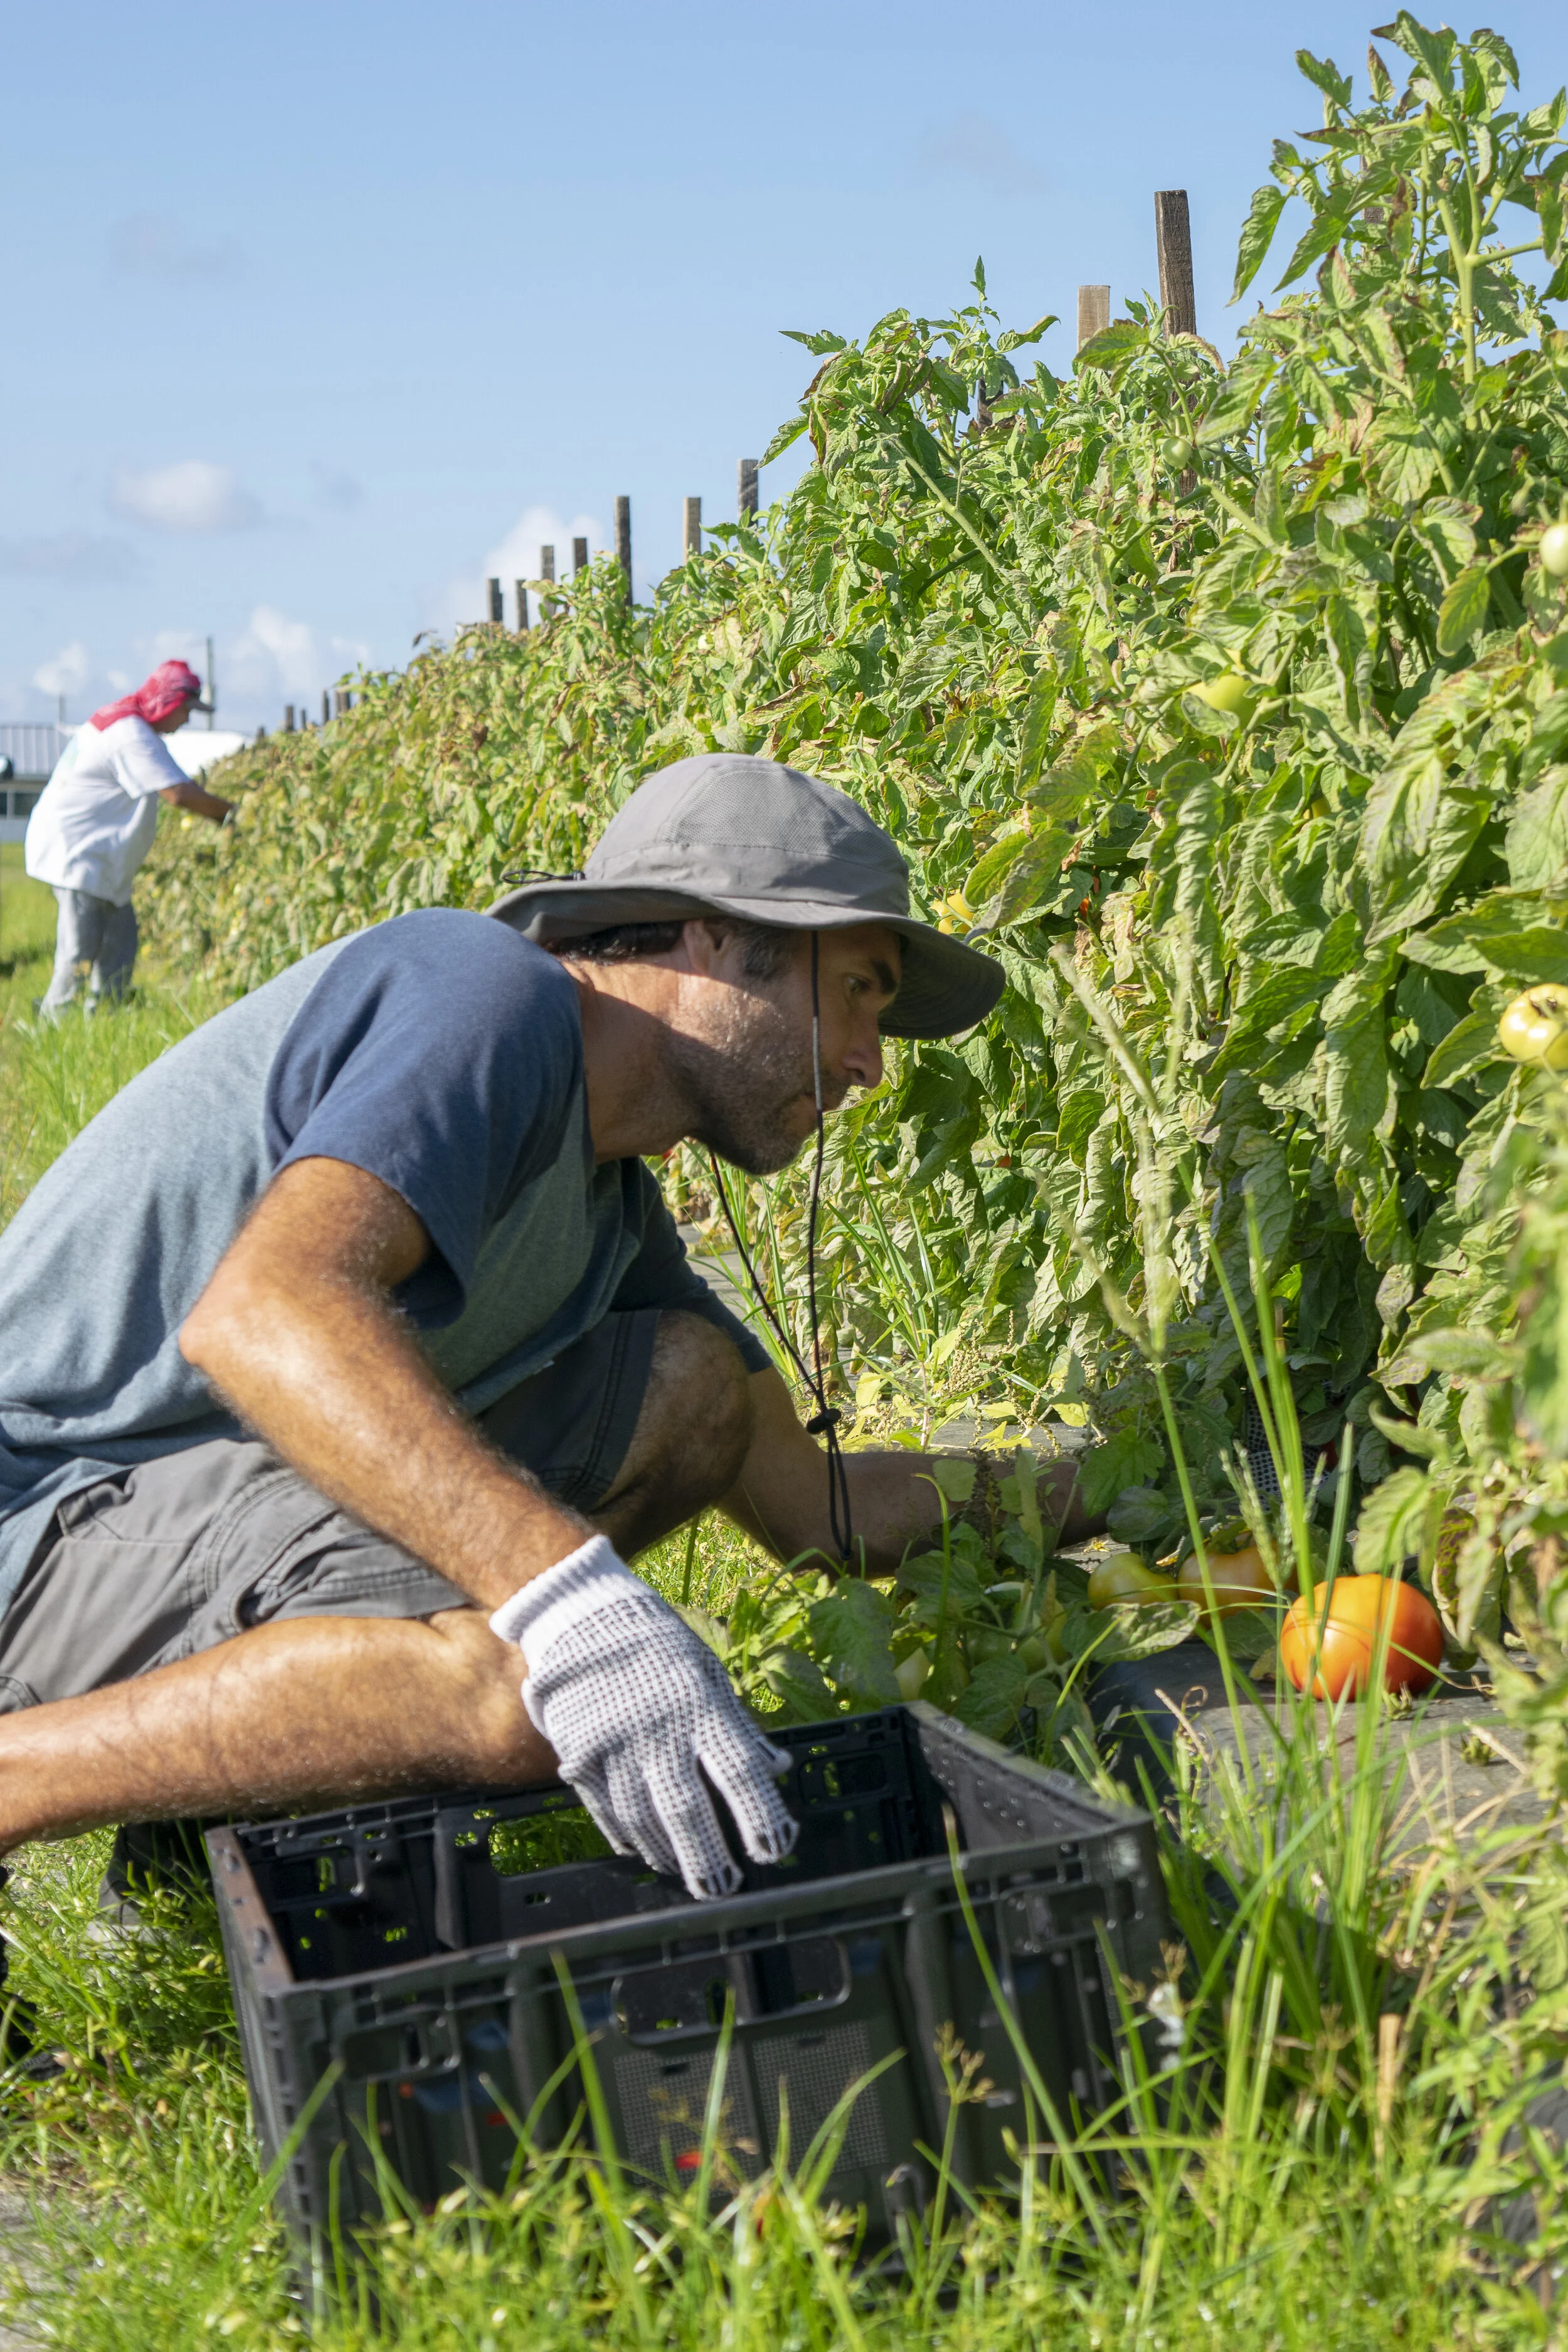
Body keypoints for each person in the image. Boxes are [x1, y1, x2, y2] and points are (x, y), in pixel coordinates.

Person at [0, 753, 1096, 1907]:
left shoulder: (610, 1211)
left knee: (697, 1387)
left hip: (178, 1507)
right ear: (714, 939)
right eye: (859, 990)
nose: (871, 1060)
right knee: (536, 1686)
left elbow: (818, 1508)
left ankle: (205, 1832)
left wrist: (1117, 1487)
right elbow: (267, 1311)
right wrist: (571, 1603)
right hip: (42, 1514)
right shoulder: (489, 993)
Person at [24, 658, 233, 1014]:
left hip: (97, 858)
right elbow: (178, 794)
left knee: (120, 939)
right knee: (79, 950)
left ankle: (106, 1014)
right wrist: (234, 815)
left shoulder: (125, 722)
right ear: (166, 702)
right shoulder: (130, 734)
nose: (186, 719)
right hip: (80, 856)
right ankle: (56, 1020)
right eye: (185, 709)